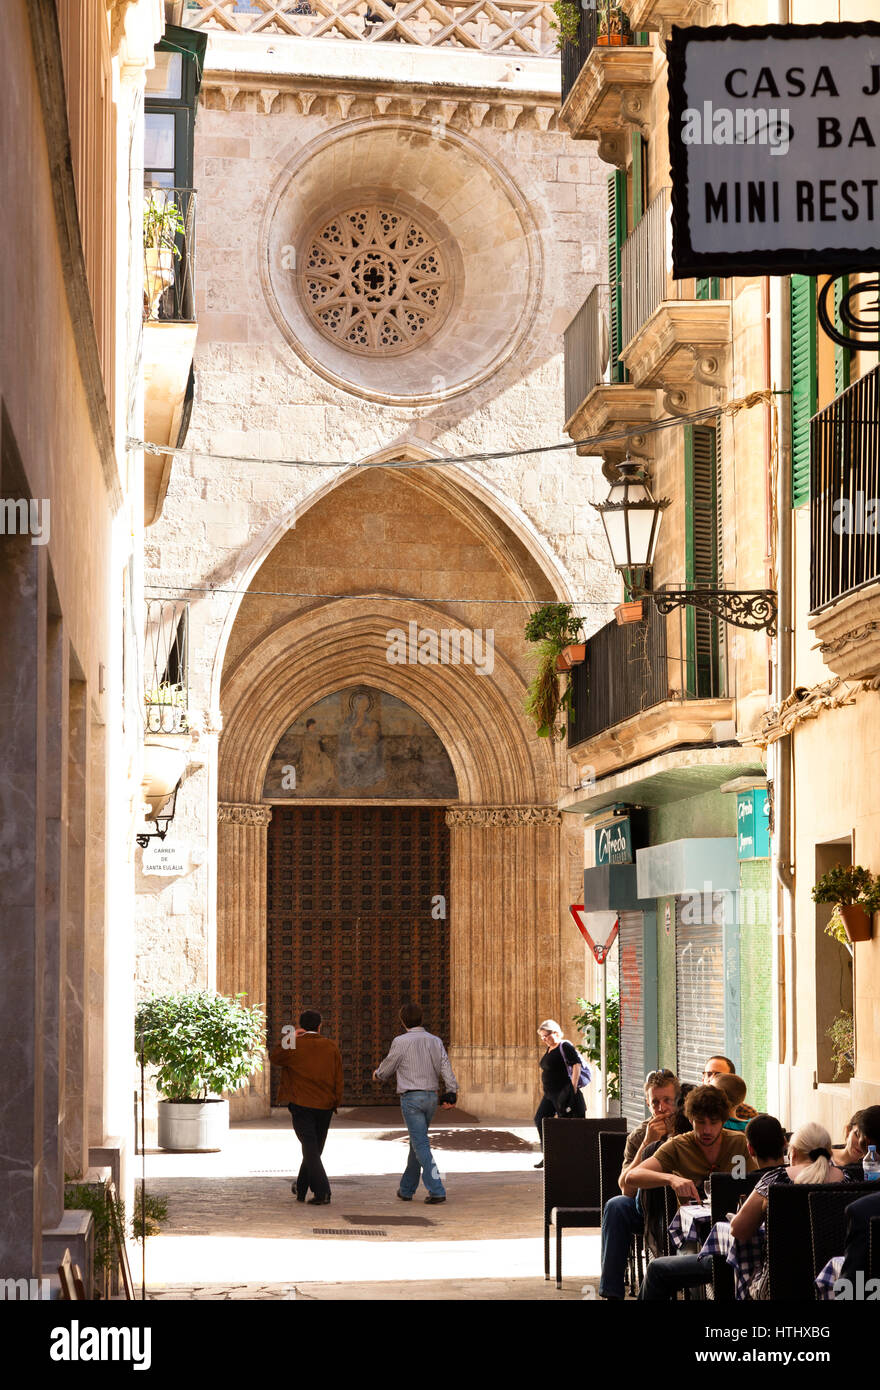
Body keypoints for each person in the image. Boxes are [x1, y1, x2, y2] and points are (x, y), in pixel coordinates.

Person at [629, 1086, 756, 1300]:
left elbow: (761, 1179)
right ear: (690, 1119)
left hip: (737, 1238)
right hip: (694, 1238)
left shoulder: (738, 1143)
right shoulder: (678, 1146)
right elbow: (633, 1176)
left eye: (713, 1123)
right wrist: (671, 1178)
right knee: (668, 1270)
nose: (707, 1130)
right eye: (700, 1122)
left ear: (723, 1121)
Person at [599, 1068, 680, 1300]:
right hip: (643, 1207)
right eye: (655, 1102)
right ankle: (612, 1293)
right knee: (616, 1205)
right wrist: (647, 1142)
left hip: (678, 1206)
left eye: (667, 1101)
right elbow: (626, 1187)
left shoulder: (688, 1128)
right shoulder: (638, 1135)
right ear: (647, 1103)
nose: (661, 1108)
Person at [373, 1002, 457, 1204]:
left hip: (411, 1099)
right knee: (416, 1143)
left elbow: (387, 1067)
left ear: (403, 1021)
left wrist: (377, 1074)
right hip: (431, 1097)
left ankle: (437, 1188)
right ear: (421, 1019)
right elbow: (446, 1066)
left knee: (420, 1144)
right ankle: (406, 1189)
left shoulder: (401, 1041)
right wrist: (452, 1091)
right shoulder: (435, 1041)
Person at [269, 1008, 343, 1206]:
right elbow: (338, 1077)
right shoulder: (330, 1046)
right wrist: (335, 1101)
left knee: (310, 1148)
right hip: (325, 1105)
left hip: (302, 1104)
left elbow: (275, 1056)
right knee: (314, 1149)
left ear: (301, 1026)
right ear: (320, 1026)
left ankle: (323, 1192)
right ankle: (301, 1188)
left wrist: (291, 1035)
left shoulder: (294, 1045)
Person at [532, 1019, 587, 1168]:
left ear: (555, 1032)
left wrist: (573, 1087)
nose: (544, 1039)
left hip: (562, 1093)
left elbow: (576, 1065)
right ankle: (549, 1156)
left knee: (566, 1126)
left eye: (546, 1036)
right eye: (542, 1037)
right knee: (540, 1120)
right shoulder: (550, 1048)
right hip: (549, 1095)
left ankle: (568, 1159)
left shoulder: (565, 1046)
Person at [727, 1114, 791, 1242]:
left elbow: (737, 1231)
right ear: (784, 1143)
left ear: (750, 1149)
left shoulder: (763, 1184)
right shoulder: (801, 1177)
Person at [833, 1109, 867, 1176]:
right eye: (857, 1135)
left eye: (866, 1141)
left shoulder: (871, 1169)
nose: (860, 1144)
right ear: (848, 1131)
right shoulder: (821, 1154)